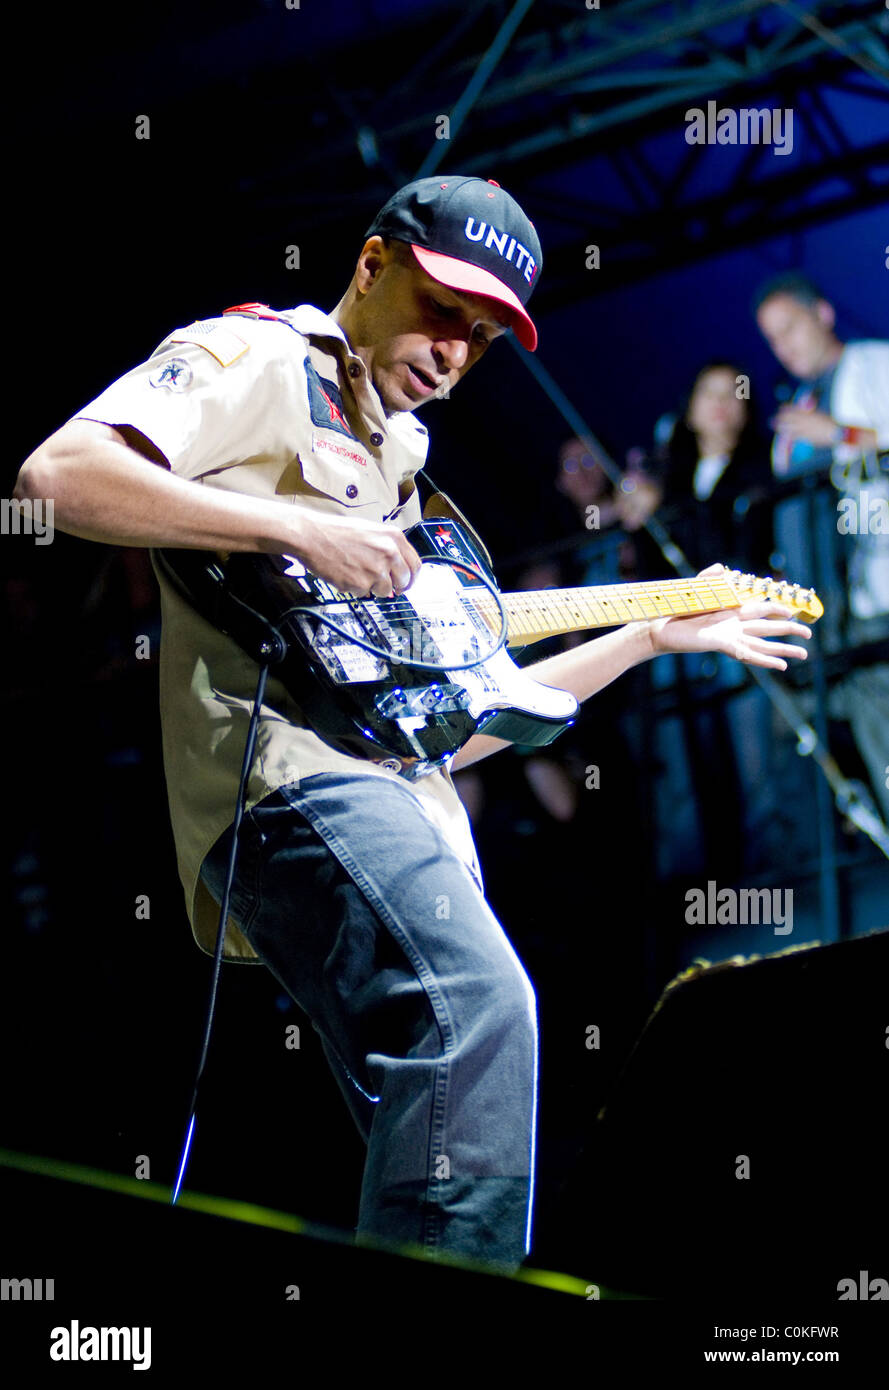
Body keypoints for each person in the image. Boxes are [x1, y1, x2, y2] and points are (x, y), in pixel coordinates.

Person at [14, 176, 813, 1275]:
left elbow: (449, 725)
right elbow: (57, 476)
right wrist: (291, 520)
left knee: (464, 1078)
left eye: (481, 337)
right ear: (373, 262)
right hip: (290, 789)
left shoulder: (403, 468)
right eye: (445, 308)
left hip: (393, 805)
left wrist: (646, 637)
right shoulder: (258, 360)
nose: (454, 352)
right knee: (479, 1010)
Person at [754, 272, 889, 824]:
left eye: (790, 328)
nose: (784, 347)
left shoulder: (876, 364)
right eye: (772, 339)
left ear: (824, 314)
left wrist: (840, 434)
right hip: (850, 604)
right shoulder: (796, 414)